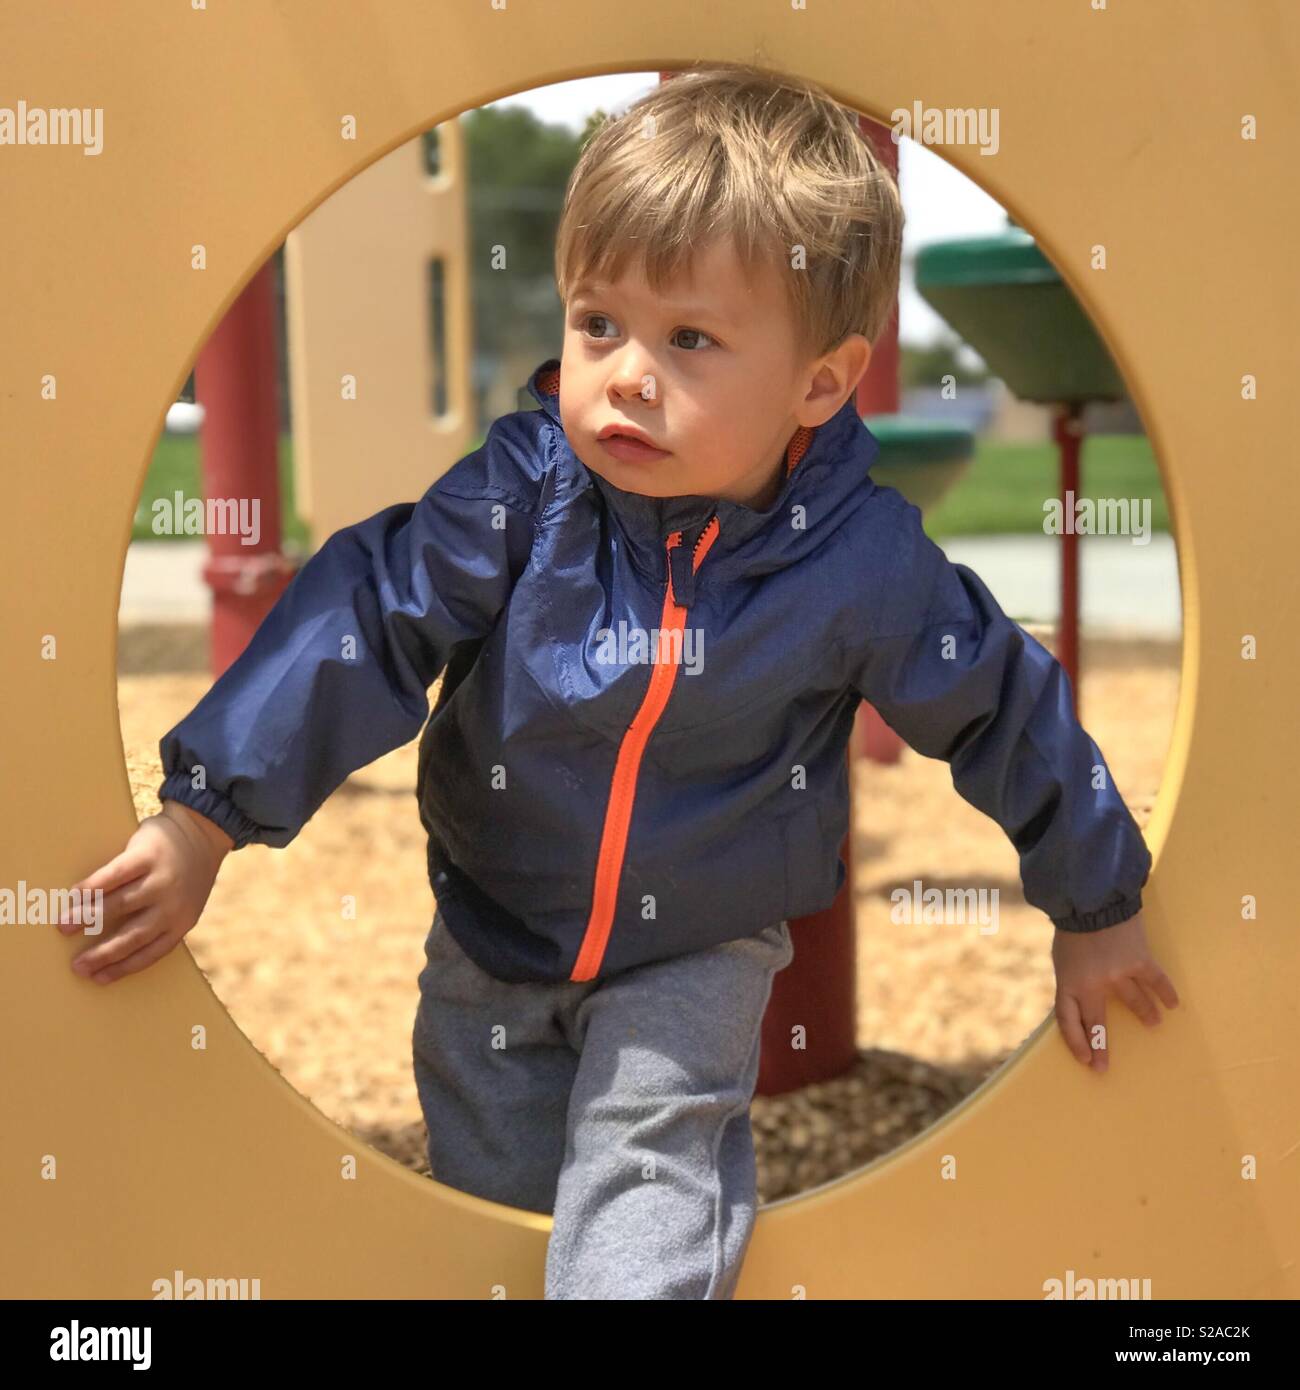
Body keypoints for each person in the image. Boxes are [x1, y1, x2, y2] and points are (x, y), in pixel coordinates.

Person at [56, 62, 1178, 1299]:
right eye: (599, 323)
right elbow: (367, 615)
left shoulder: (857, 562)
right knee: (503, 1214)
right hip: (491, 927)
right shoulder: (523, 494)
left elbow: (1000, 704)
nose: (625, 374)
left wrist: (1095, 905)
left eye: (688, 338)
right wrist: (203, 816)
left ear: (819, 380)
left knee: (645, 1174)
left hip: (695, 947)